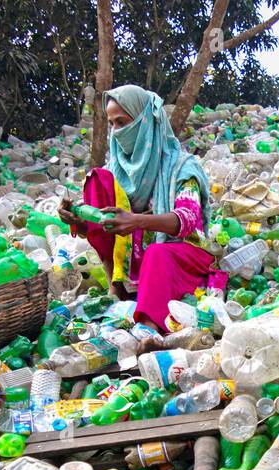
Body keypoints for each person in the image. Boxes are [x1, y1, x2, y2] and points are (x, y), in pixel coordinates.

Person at [59, 85, 225, 332]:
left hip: (182, 254)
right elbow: (104, 224)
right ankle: (117, 286)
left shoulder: (181, 166)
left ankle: (148, 328)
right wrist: (79, 218)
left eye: (123, 122)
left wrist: (137, 221)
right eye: (112, 124)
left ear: (145, 121)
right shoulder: (117, 169)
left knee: (157, 253)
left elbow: (188, 219)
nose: (117, 131)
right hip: (136, 254)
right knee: (97, 179)